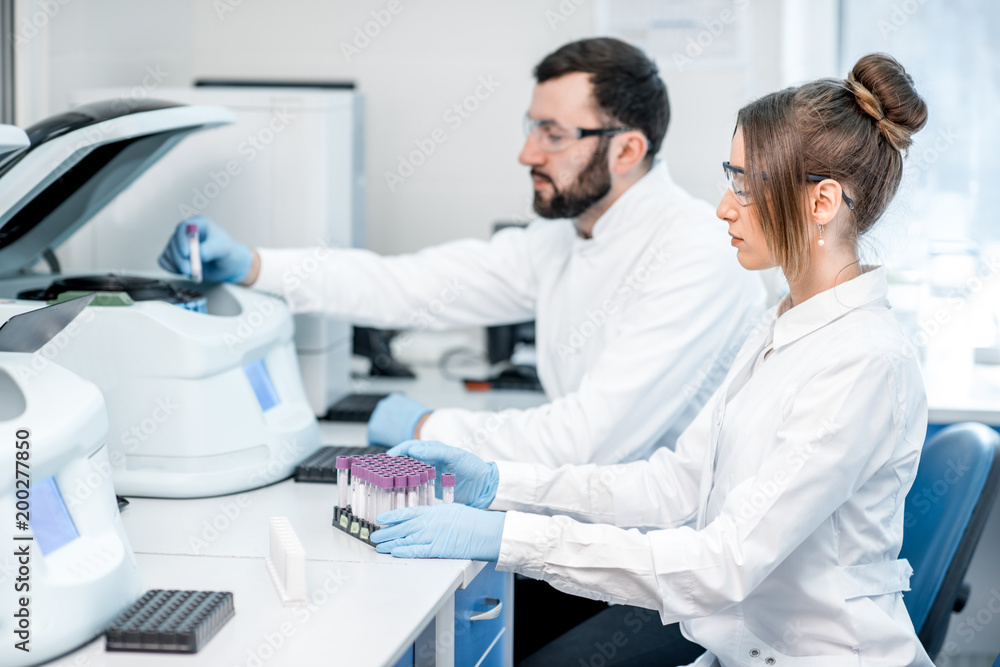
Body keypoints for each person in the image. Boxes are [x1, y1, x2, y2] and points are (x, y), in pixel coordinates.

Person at [370, 52, 933, 666]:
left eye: (746, 184)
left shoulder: (864, 361)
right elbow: (673, 485)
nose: (724, 206)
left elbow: (722, 565)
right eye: (730, 177)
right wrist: (498, 481)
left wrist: (509, 538)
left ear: (822, 203)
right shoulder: (779, 326)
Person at [158, 38, 765, 469]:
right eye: (530, 127)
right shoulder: (563, 237)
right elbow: (413, 284)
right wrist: (256, 265)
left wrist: (428, 427)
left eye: (553, 135)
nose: (528, 154)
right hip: (589, 531)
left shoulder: (696, 253)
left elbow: (587, 441)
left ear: (628, 150)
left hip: (669, 579)